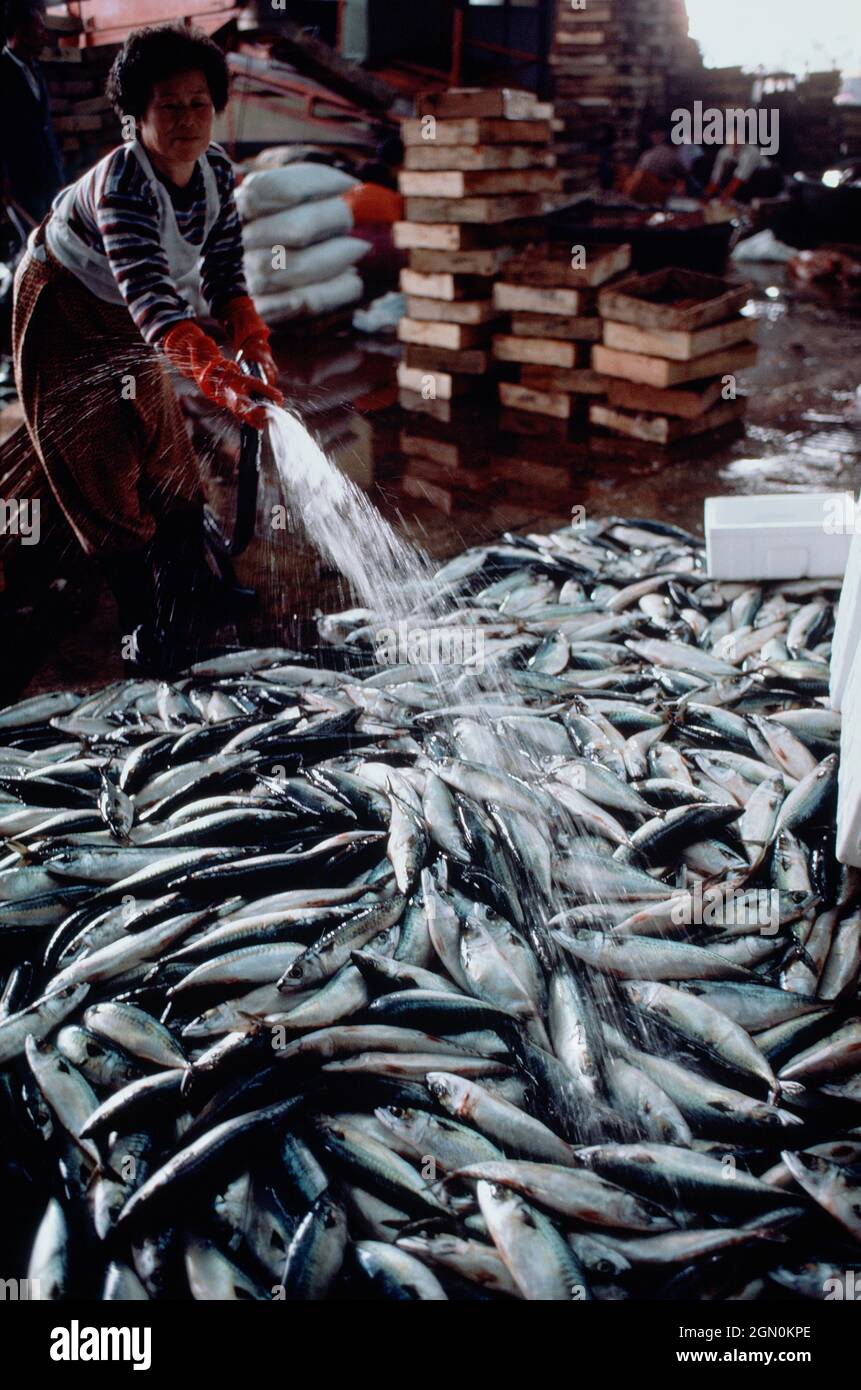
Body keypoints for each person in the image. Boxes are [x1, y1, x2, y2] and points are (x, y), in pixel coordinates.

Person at [12, 22, 283, 673]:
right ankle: (140, 621)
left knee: (163, 441)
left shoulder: (216, 172)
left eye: (199, 103)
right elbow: (154, 300)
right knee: (100, 457)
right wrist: (216, 377)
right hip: (64, 306)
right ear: (136, 115)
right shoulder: (124, 187)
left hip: (136, 313)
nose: (187, 120)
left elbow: (222, 271)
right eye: (168, 105)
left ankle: (196, 585)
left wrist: (250, 338)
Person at [0, 0, 64, 227]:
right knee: (33, 244)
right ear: (21, 33)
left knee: (53, 238)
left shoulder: (35, 69)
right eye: (39, 29)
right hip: (20, 183)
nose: (44, 36)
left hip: (48, 176)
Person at [623, 122, 686, 205]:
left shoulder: (648, 153)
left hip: (633, 191)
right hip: (649, 192)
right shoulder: (671, 154)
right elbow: (684, 174)